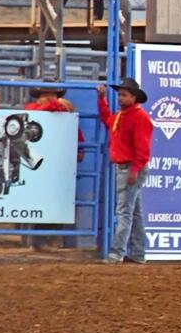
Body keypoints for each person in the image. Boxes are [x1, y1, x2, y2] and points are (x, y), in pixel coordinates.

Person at [97, 79, 153, 264]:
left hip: (130, 167)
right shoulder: (125, 115)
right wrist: (102, 100)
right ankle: (137, 253)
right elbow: (108, 121)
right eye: (120, 94)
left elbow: (142, 149)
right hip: (129, 167)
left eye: (124, 95)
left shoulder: (137, 117)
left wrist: (134, 170)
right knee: (133, 212)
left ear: (134, 97)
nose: (120, 98)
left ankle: (117, 252)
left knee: (124, 212)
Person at [24, 84, 85, 251]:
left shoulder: (64, 113)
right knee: (40, 201)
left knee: (58, 201)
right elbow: (34, 114)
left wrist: (79, 148)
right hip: (37, 162)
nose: (49, 97)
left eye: (53, 94)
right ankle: (39, 240)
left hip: (58, 163)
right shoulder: (33, 109)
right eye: (46, 94)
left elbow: (74, 130)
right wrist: (57, 104)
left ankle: (48, 239)